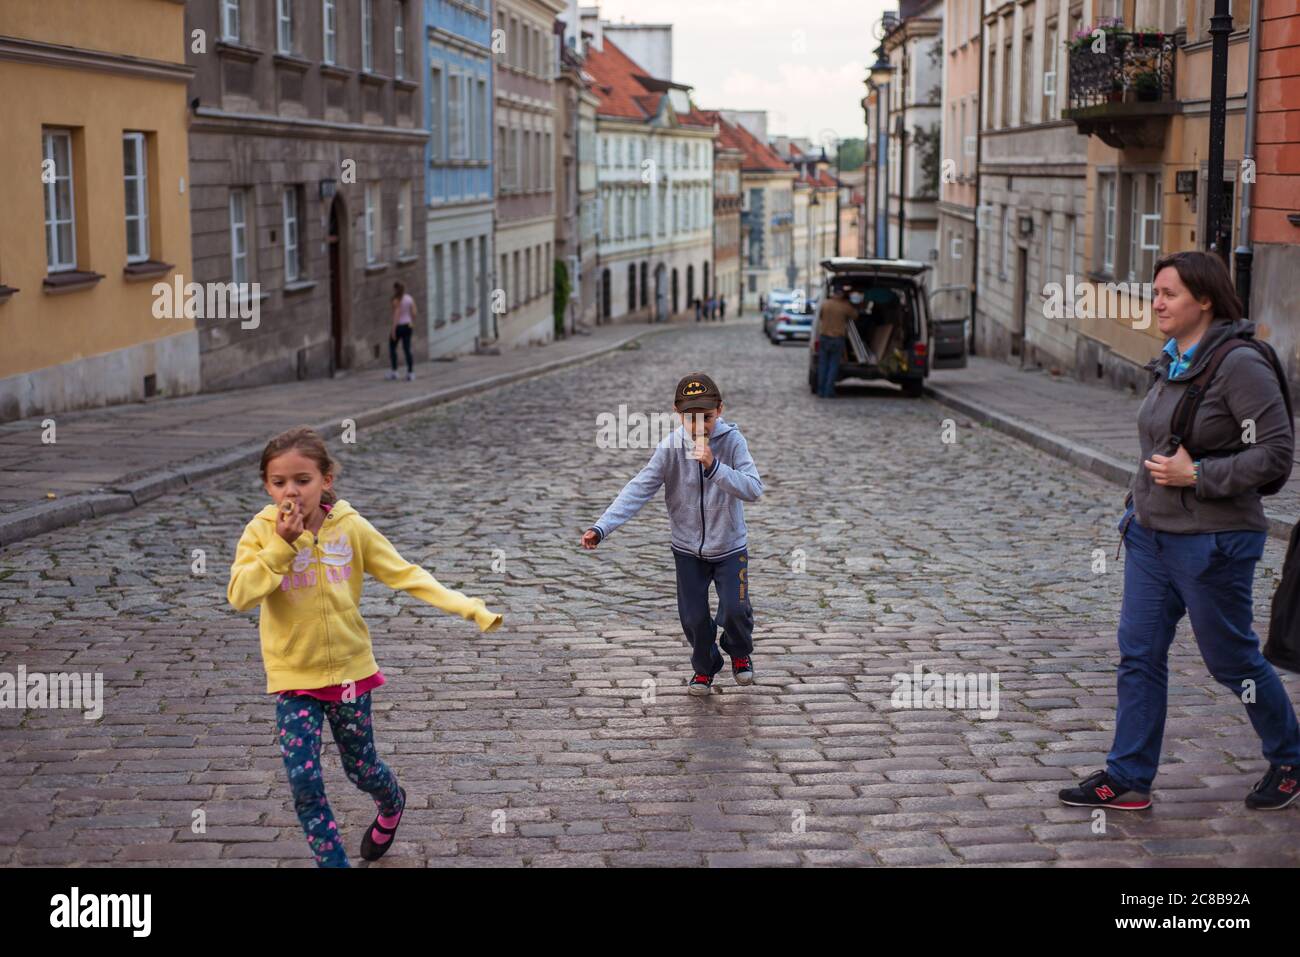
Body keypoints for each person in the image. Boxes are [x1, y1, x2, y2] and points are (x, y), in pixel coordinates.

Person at [1059, 250, 1300, 812]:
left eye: (1169, 293)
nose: (1157, 302)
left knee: (1232, 661)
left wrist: (1200, 475)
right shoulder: (1172, 358)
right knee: (1139, 654)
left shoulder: (1240, 363)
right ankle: (1129, 778)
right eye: (1156, 291)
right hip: (1150, 535)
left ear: (1206, 299)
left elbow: (1277, 455)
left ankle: (1290, 755)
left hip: (1212, 542)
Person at [228, 427, 503, 866]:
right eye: (279, 483)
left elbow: (404, 573)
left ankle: (392, 803)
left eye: (303, 479)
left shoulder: (350, 528)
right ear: (266, 485)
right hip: (293, 678)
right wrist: (280, 546)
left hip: (351, 675)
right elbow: (240, 595)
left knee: (361, 768)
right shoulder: (261, 533)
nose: (291, 491)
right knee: (305, 785)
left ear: (326, 480)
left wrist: (468, 607)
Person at [581, 374, 764, 695]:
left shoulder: (733, 442)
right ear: (678, 414)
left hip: (730, 547)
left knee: (736, 610)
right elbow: (638, 489)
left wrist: (715, 466)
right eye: (690, 418)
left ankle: (739, 651)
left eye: (706, 417)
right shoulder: (670, 448)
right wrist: (601, 527)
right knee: (693, 619)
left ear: (719, 410)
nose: (699, 425)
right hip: (687, 550)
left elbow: (754, 489)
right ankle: (705, 668)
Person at [815, 285, 857, 398]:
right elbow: (855, 315)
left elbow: (820, 316)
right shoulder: (844, 306)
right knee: (833, 365)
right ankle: (829, 391)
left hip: (824, 337)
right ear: (842, 295)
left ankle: (820, 391)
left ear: (833, 293)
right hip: (837, 339)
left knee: (823, 365)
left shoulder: (825, 304)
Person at [388, 281, 417, 381]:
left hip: (399, 326)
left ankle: (394, 371)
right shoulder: (409, 298)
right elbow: (414, 312)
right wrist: (412, 322)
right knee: (407, 349)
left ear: (395, 289)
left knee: (392, 348)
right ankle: (410, 372)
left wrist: (393, 330)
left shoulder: (396, 300)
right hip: (408, 325)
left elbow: (396, 315)